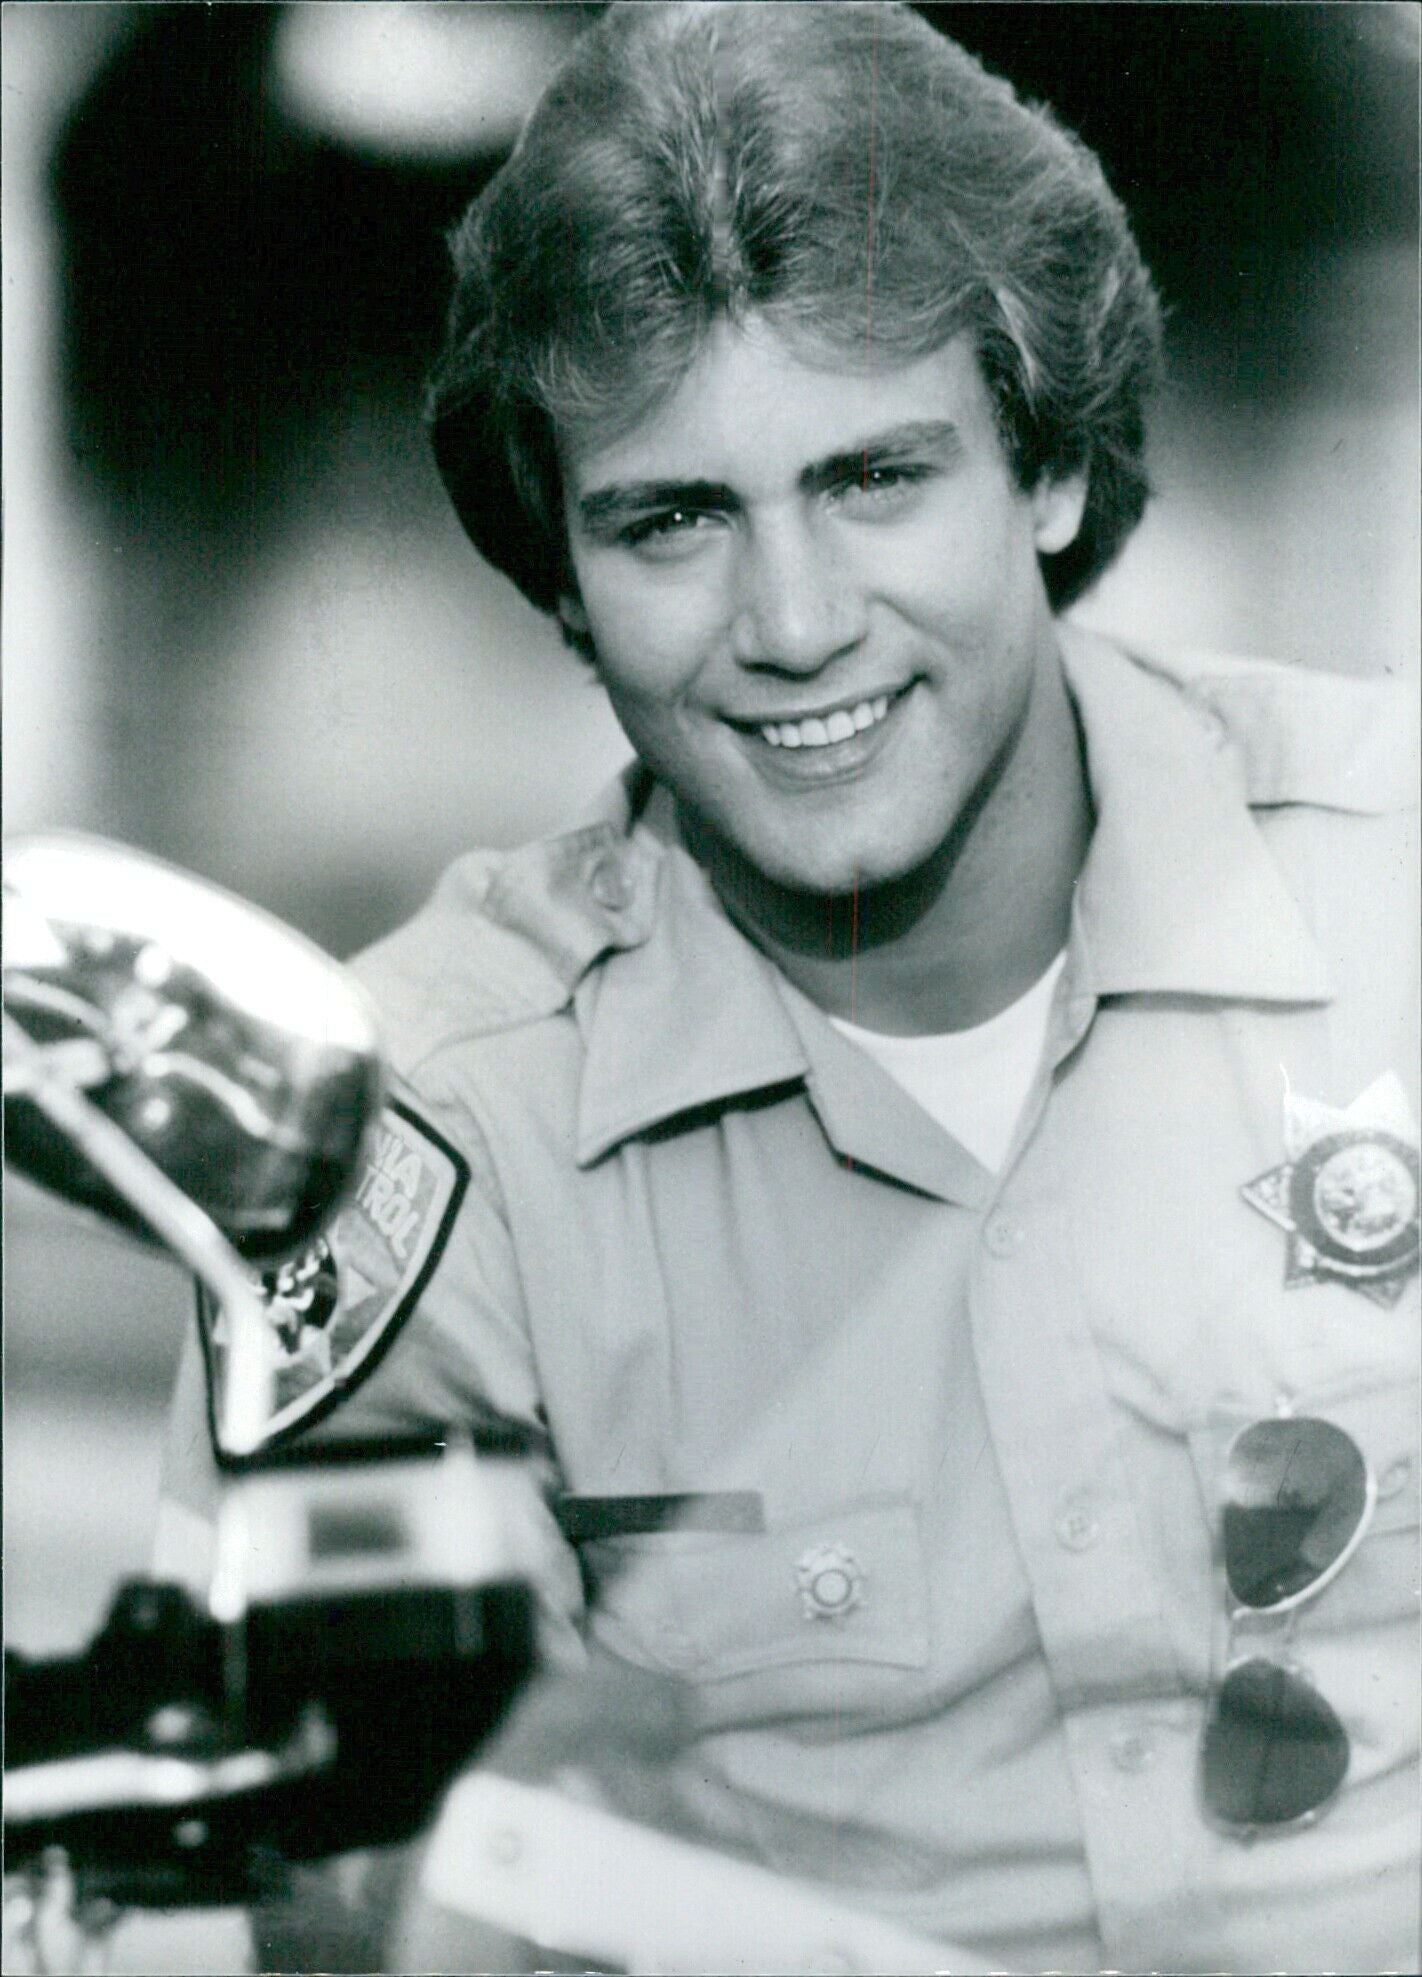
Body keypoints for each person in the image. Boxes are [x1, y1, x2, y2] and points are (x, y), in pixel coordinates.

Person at [159, 4, 1420, 1970]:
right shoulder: (417, 1139)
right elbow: (371, 1918)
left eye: (878, 477)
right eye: (673, 520)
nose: (797, 625)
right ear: (565, 581)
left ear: (1055, 475)